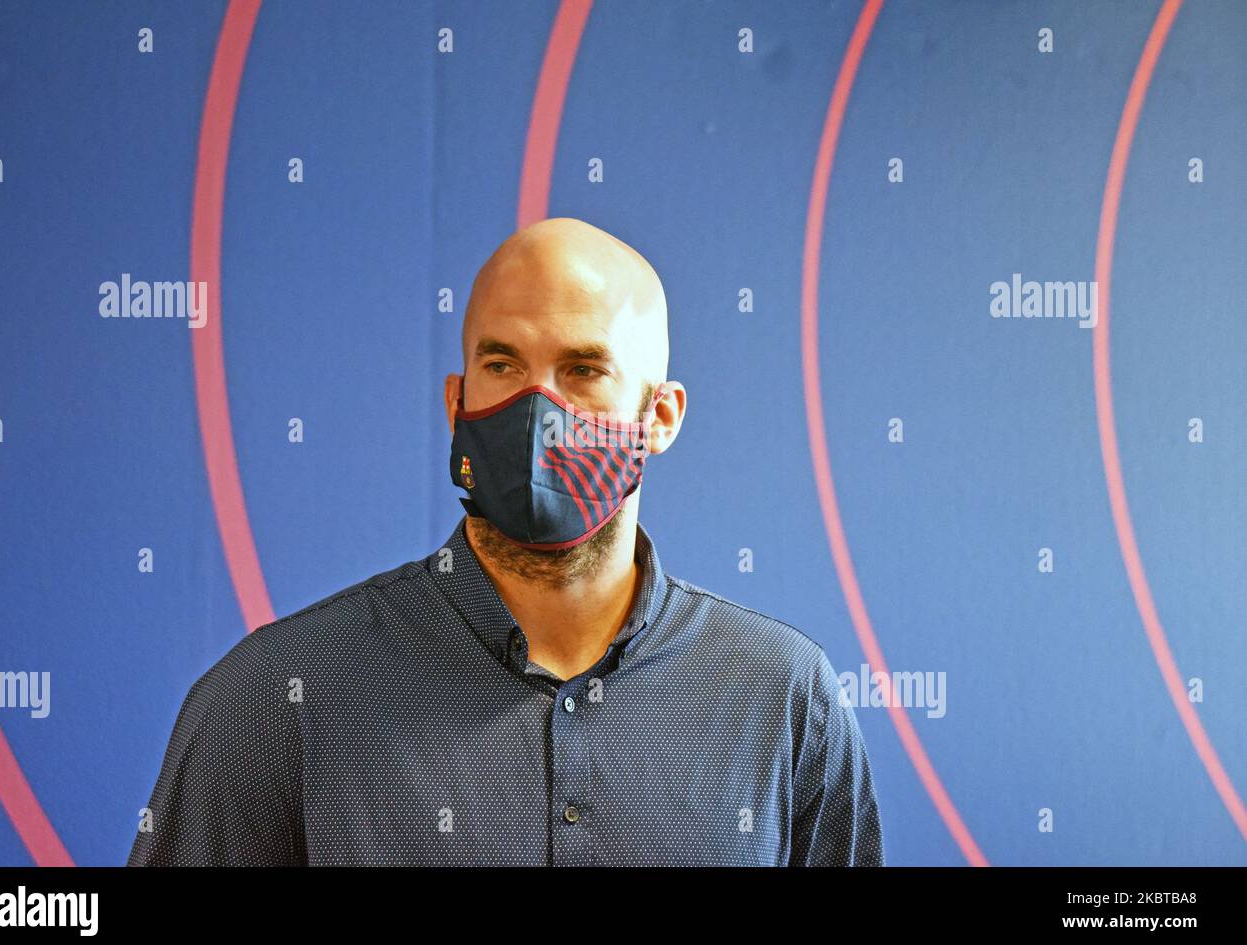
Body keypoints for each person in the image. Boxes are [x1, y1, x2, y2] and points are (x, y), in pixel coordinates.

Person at [127, 217, 884, 866]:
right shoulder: (277, 696)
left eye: (584, 369)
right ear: (458, 400)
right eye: (503, 365)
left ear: (661, 416)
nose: (539, 410)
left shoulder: (784, 699)